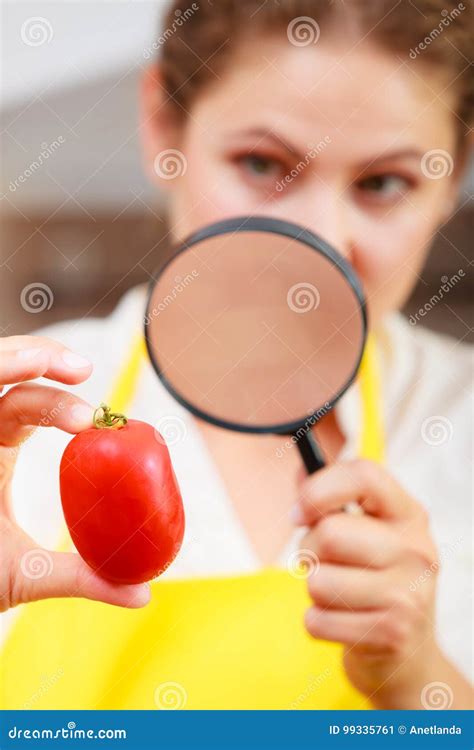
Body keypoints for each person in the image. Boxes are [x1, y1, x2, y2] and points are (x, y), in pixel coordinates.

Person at [0, 0, 472, 710]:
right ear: (163, 125)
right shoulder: (23, 424)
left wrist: (421, 683)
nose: (318, 244)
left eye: (383, 183)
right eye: (263, 164)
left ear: (454, 172)